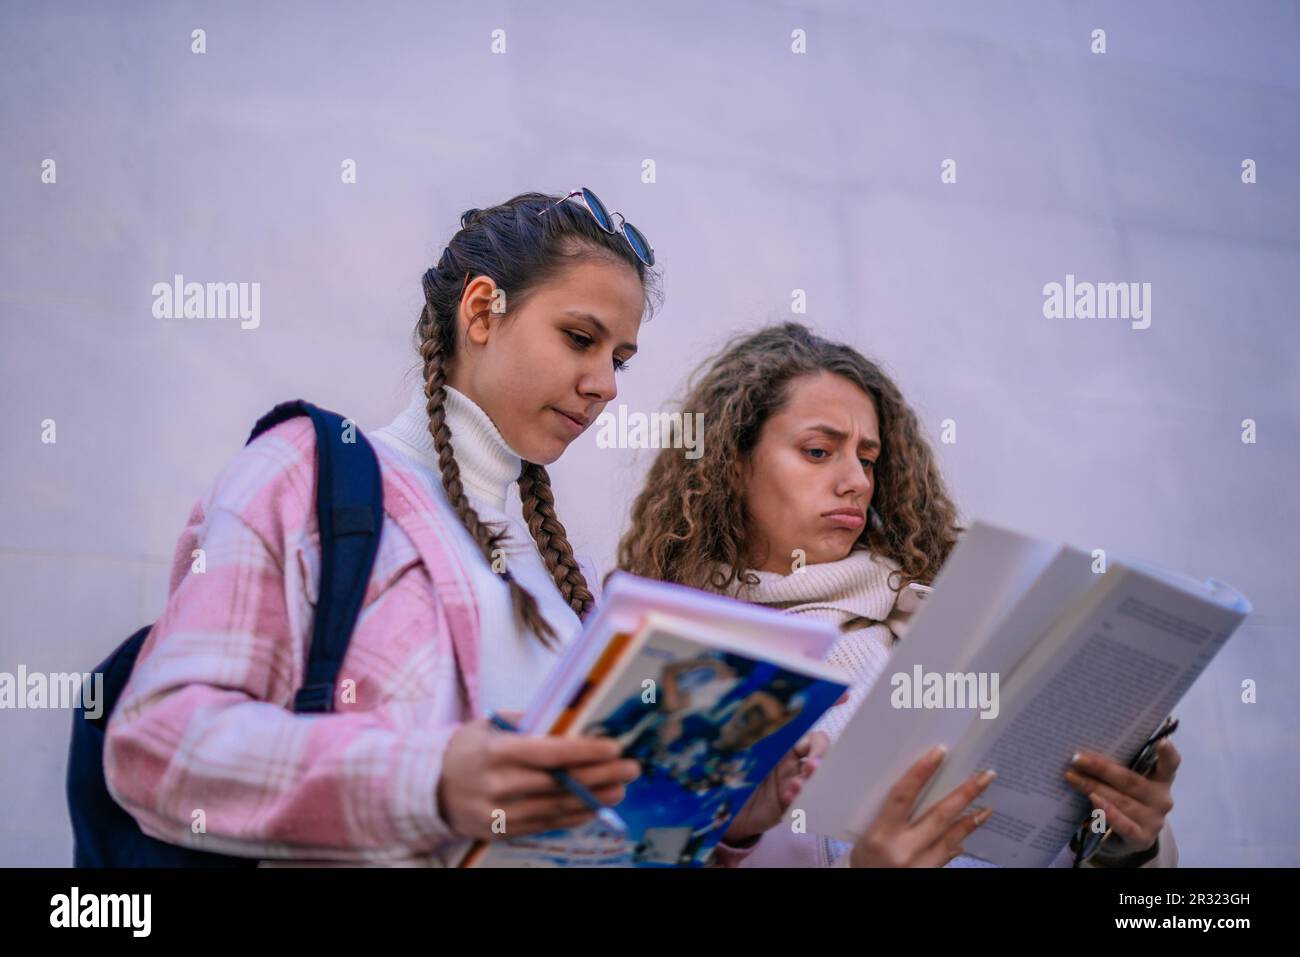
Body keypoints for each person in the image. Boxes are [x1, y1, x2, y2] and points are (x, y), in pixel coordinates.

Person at [104, 189, 658, 866]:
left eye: (620, 359)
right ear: (483, 310)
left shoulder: (559, 575)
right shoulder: (303, 473)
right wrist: (431, 780)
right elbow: (158, 743)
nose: (606, 384)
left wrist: (738, 821)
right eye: (580, 338)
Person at [616, 322, 1180, 868]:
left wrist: (1124, 847)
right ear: (732, 465)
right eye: (818, 451)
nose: (857, 481)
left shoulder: (954, 623)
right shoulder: (674, 660)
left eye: (867, 458)